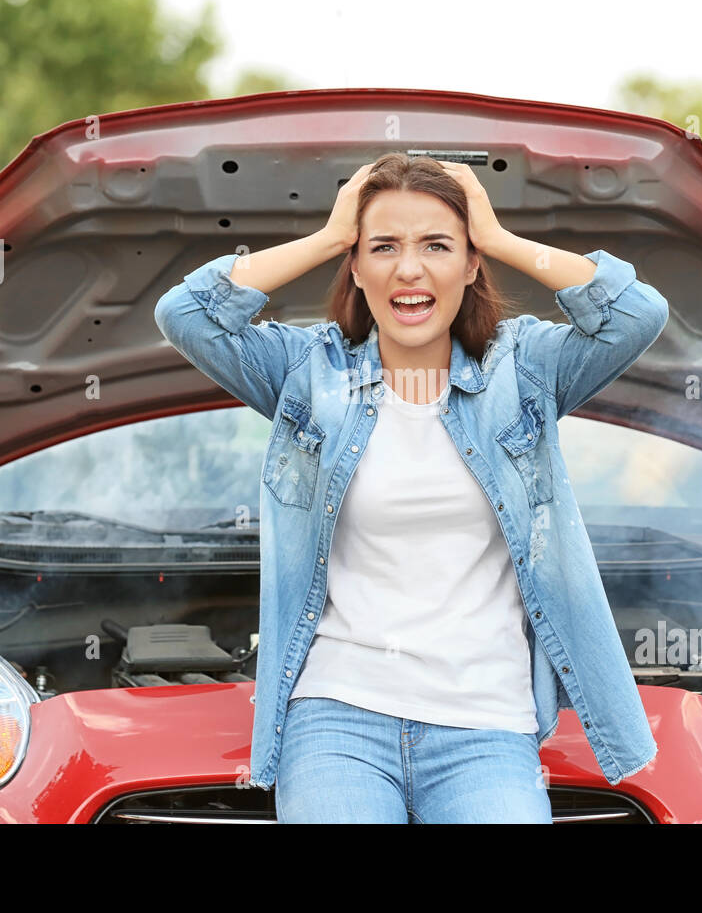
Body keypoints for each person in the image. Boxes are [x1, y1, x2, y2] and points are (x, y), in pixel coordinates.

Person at [154, 153, 670, 822]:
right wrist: (329, 235)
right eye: (383, 247)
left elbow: (636, 314)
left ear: (471, 262)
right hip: (338, 717)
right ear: (358, 268)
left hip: (486, 724)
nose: (409, 269)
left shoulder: (523, 368)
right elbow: (186, 314)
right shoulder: (309, 371)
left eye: (437, 246)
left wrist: (501, 236)